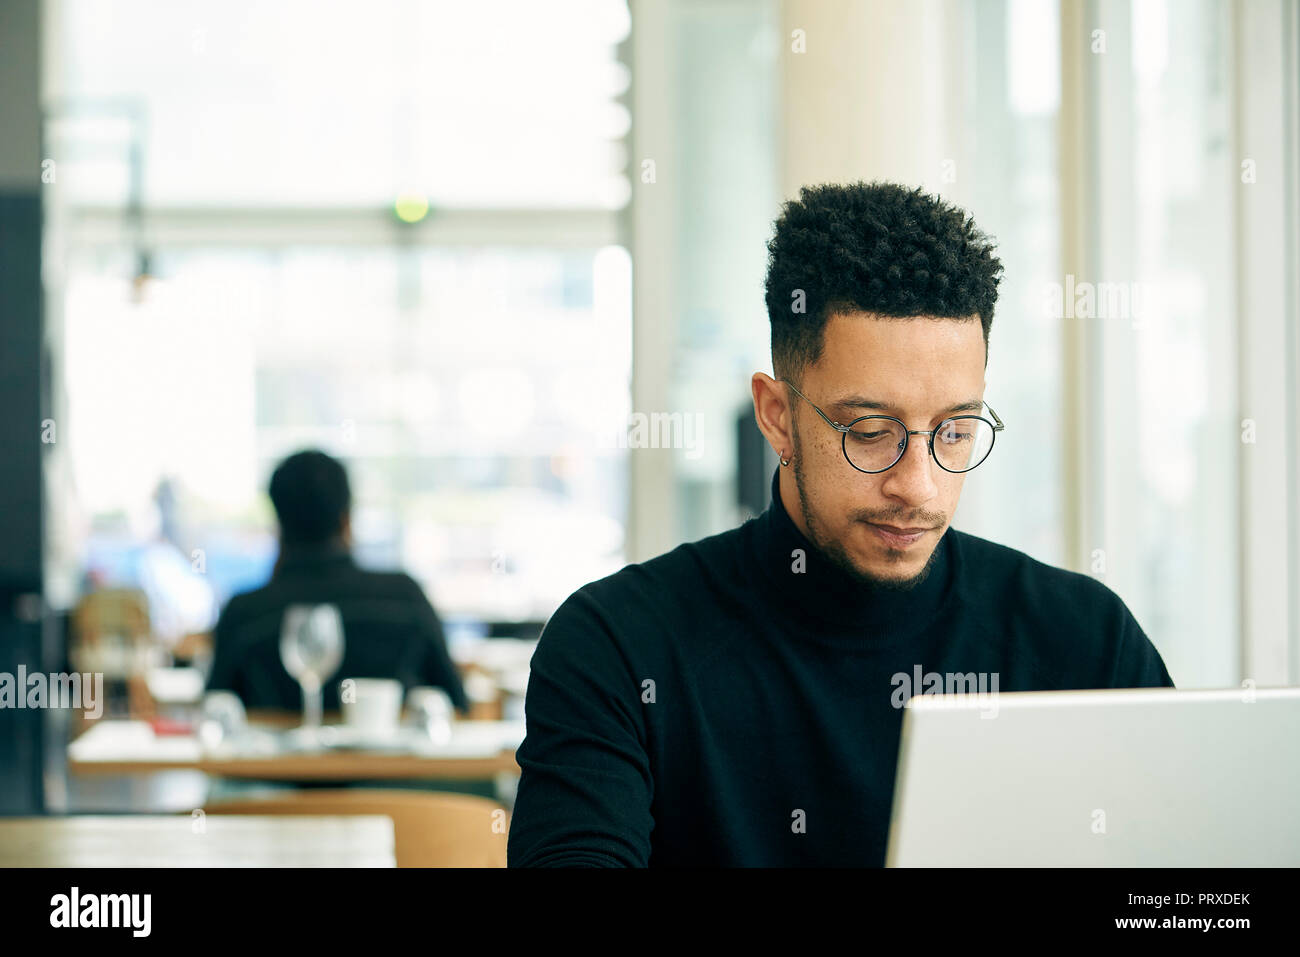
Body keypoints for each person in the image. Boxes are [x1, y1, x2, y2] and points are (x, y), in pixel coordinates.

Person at [508, 181, 1174, 867]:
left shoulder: (1085, 641)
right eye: (868, 430)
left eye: (954, 429)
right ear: (775, 415)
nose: (918, 485)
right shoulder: (619, 645)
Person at [205, 450, 469, 716]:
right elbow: (457, 706)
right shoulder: (404, 597)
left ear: (278, 522)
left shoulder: (243, 613)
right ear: (347, 518)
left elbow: (216, 715)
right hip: (391, 759)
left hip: (281, 759)